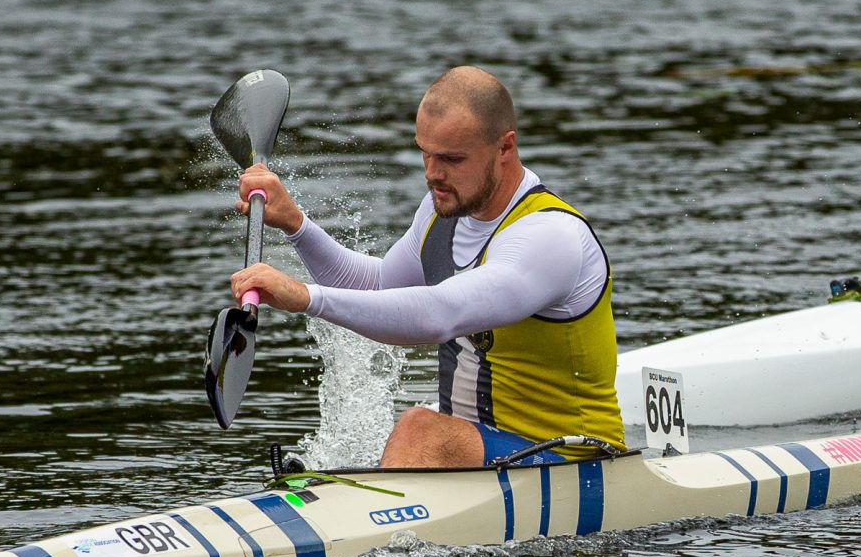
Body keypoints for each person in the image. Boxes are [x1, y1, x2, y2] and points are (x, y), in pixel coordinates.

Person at [228, 66, 621, 468]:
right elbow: (379, 288)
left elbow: (439, 314)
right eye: (426, 153)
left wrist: (304, 297)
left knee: (420, 427)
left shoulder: (550, 236)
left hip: (576, 462)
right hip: (485, 458)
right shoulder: (442, 210)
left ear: (505, 148)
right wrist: (296, 225)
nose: (433, 174)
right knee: (425, 427)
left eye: (451, 158)